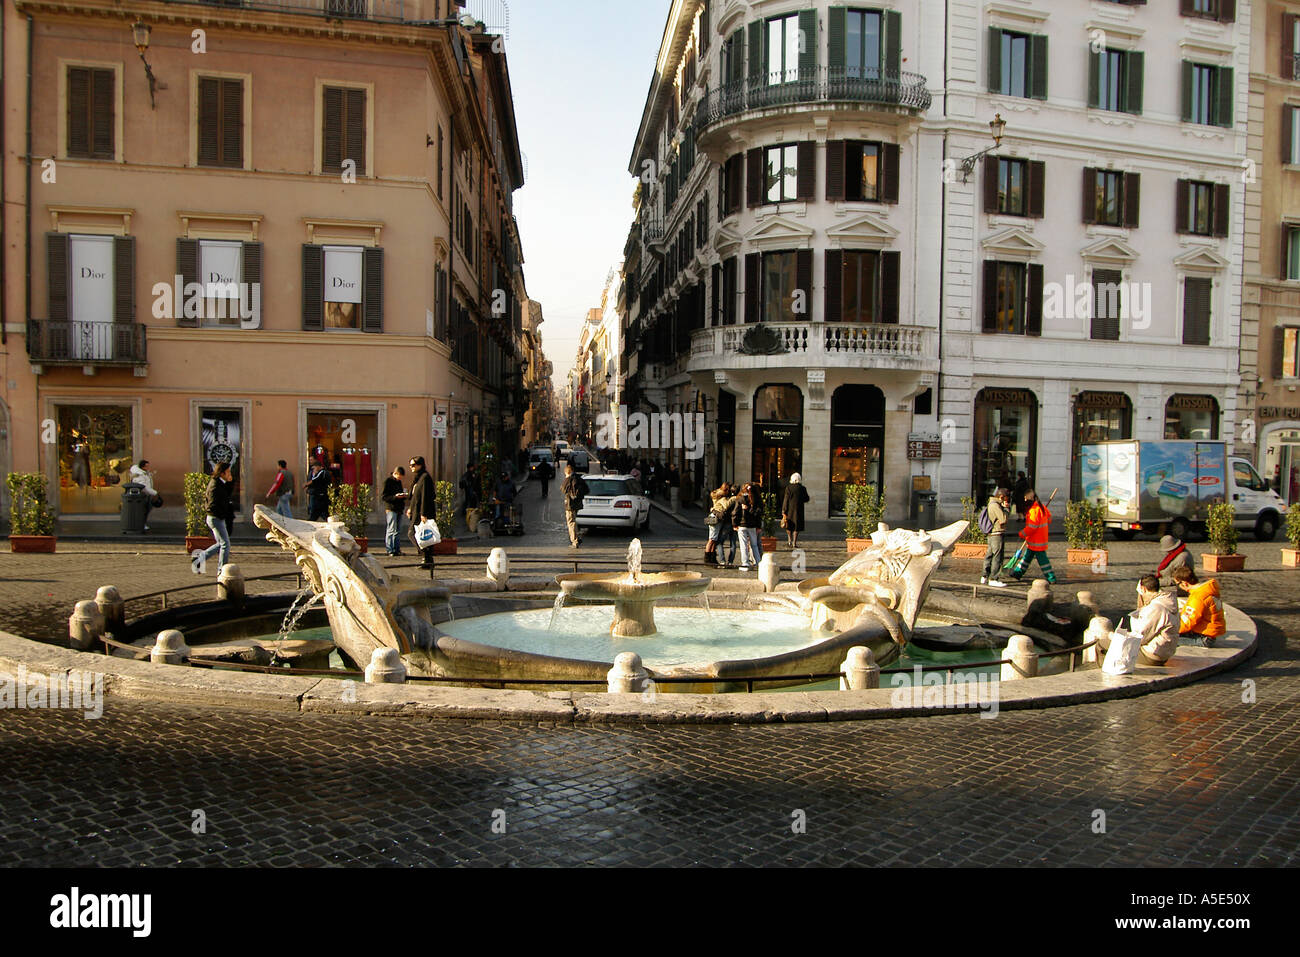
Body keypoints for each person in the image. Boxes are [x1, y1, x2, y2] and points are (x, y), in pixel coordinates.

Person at [1127, 574, 1180, 665]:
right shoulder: (1168, 602)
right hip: (1165, 652)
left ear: (1143, 589)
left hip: (1152, 654)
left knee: (1105, 644)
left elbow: (1140, 637)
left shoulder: (1155, 608)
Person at [193, 462, 235, 573]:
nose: (230, 474)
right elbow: (212, 504)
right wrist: (221, 514)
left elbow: (227, 494)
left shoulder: (220, 483)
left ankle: (199, 558)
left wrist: (230, 482)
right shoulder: (215, 485)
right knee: (225, 544)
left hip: (215, 517)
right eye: (228, 472)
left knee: (220, 543)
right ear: (222, 473)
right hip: (216, 518)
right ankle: (221, 571)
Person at [1010, 489, 1056, 584]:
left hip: (1036, 541)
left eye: (1025, 499)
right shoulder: (1042, 507)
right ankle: (1018, 573)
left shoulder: (1034, 510)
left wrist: (1022, 533)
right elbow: (1049, 519)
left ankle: (1051, 577)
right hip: (1038, 539)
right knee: (1027, 557)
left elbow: (1032, 527)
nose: (1025, 501)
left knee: (1043, 561)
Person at [1172, 566, 1226, 647]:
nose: (1178, 587)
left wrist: (1170, 630)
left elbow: (1187, 623)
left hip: (1203, 638)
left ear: (1184, 583)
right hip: (1208, 633)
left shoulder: (1198, 597)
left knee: (1167, 639)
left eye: (1177, 584)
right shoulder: (1205, 590)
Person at [406, 456, 437, 570]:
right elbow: (414, 497)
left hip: (423, 512)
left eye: (413, 465)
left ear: (420, 465)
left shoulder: (425, 478)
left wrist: (424, 513)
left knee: (415, 534)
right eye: (410, 465)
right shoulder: (418, 478)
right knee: (418, 534)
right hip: (416, 511)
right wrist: (410, 508)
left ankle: (426, 557)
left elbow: (425, 497)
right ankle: (427, 558)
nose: (411, 467)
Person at [981, 487, 1011, 587]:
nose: (1007, 500)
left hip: (992, 533)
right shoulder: (995, 505)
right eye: (1006, 498)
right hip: (996, 533)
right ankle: (993, 578)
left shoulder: (992, 503)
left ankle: (985, 576)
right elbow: (1003, 519)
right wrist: (1006, 509)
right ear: (1002, 496)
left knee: (989, 554)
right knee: (997, 556)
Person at [731, 483, 762, 572]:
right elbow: (758, 514)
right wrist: (758, 526)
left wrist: (734, 524)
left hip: (742, 525)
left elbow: (735, 513)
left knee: (743, 545)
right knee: (754, 545)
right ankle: (758, 562)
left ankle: (745, 563)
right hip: (752, 525)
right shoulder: (756, 499)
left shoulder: (740, 498)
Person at [381, 466, 408, 556]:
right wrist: (395, 497)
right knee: (391, 529)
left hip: (399, 508)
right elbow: (384, 497)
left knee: (398, 530)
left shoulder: (399, 482)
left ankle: (396, 549)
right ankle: (390, 549)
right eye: (399, 476)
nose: (400, 478)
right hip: (391, 508)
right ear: (395, 473)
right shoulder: (388, 482)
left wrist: (402, 496)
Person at [704, 482, 732, 566]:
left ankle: (711, 557)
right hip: (716, 518)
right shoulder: (722, 498)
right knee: (712, 539)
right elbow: (726, 505)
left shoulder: (716, 494)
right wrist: (734, 498)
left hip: (715, 517)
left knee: (714, 539)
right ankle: (707, 557)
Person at [562, 462, 589, 549]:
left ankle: (575, 541)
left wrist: (566, 478)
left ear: (568, 472)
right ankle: (577, 537)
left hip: (570, 504)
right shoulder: (579, 478)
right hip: (577, 503)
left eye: (565, 474)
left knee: (571, 522)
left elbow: (563, 489)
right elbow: (587, 490)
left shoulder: (569, 479)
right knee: (573, 520)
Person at [781, 473, 810, 549]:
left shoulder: (788, 488)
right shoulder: (802, 488)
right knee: (797, 526)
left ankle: (789, 540)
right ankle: (794, 542)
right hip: (799, 509)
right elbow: (806, 498)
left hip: (790, 509)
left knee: (789, 525)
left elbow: (786, 500)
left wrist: (784, 510)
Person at [128, 459, 159, 532]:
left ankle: (142, 524)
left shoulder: (143, 473)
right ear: (143, 467)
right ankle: (142, 524)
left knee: (145, 510)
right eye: (147, 466)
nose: (148, 467)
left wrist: (151, 474)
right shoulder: (140, 475)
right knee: (144, 510)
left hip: (145, 495)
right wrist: (155, 493)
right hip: (143, 496)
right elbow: (144, 487)